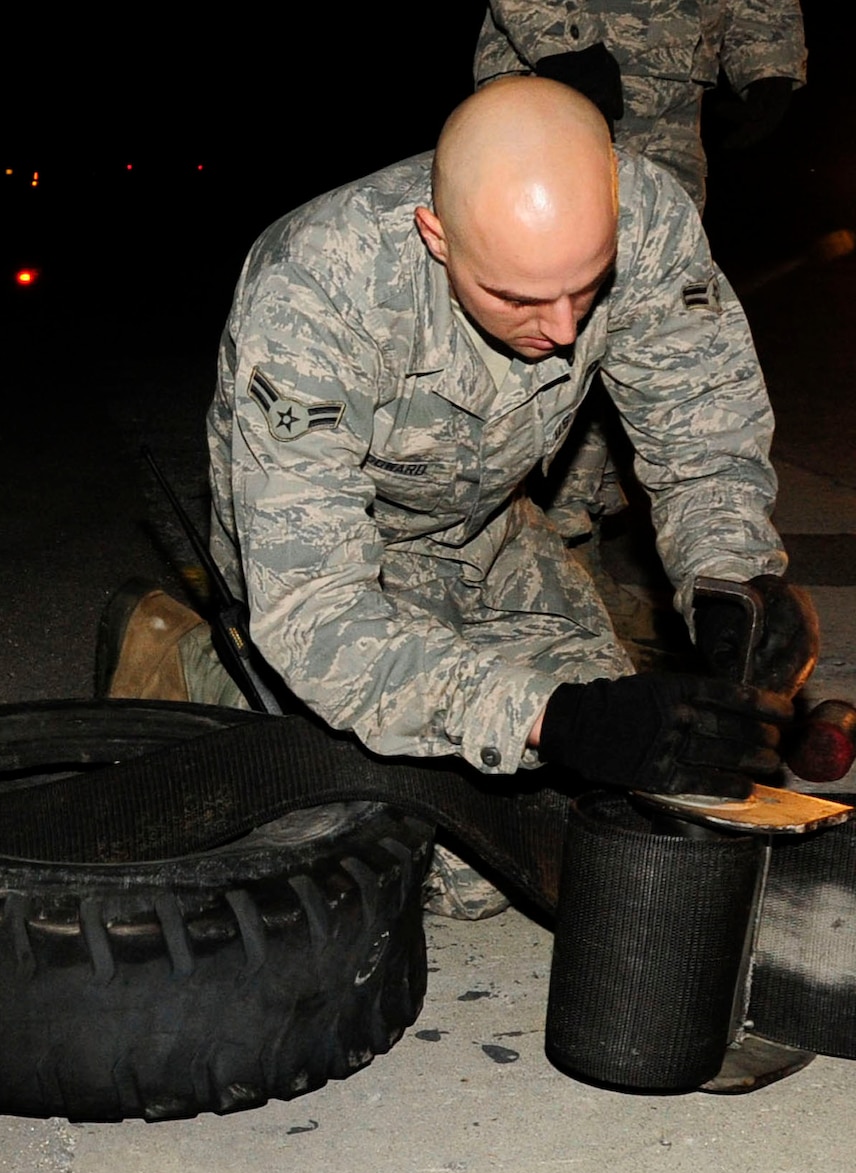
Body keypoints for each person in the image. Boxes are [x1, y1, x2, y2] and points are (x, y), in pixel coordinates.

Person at [100, 77, 813, 924]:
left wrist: (731, 578)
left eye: (588, 287)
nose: (564, 330)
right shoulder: (317, 289)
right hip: (336, 571)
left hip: (491, 534)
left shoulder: (648, 219)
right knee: (461, 858)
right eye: (517, 298)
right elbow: (320, 610)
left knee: (611, 813)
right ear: (436, 238)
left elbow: (700, 429)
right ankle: (199, 662)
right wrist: (551, 719)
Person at [476, 0, 808, 541]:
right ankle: (534, 530)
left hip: (674, 92)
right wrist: (562, 37)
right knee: (544, 306)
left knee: (651, 314)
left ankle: (587, 524)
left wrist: (766, 58)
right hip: (548, 79)